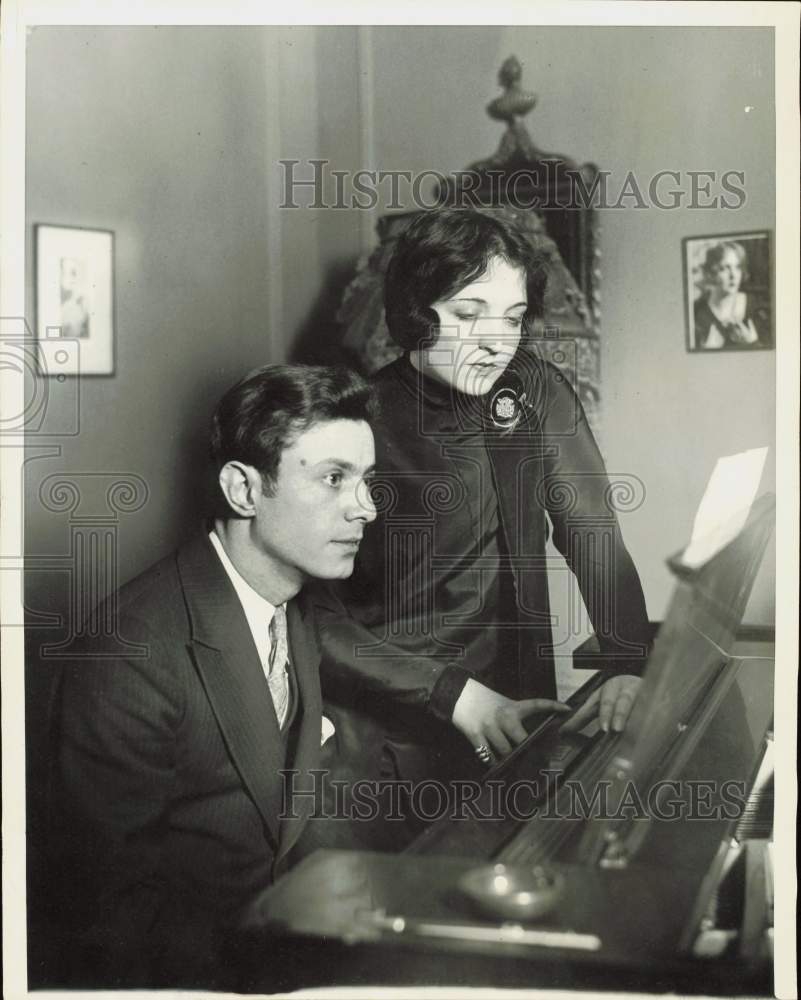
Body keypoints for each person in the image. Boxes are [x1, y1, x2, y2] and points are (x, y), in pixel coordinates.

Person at [312, 208, 651, 848]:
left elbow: (593, 534)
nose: (496, 340)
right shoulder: (357, 421)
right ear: (415, 311)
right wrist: (451, 695)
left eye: (513, 317)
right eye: (468, 314)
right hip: (393, 737)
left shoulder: (538, 389)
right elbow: (314, 620)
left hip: (522, 721)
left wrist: (627, 662)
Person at [44, 364, 377, 988]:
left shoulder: (291, 600)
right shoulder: (129, 650)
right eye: (335, 479)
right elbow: (111, 915)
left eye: (367, 481)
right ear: (244, 491)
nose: (367, 508)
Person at [693, 241, 762, 349]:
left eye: (738, 267)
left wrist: (753, 343)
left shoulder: (757, 305)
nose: (733, 275)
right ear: (710, 273)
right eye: (725, 268)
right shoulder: (696, 312)